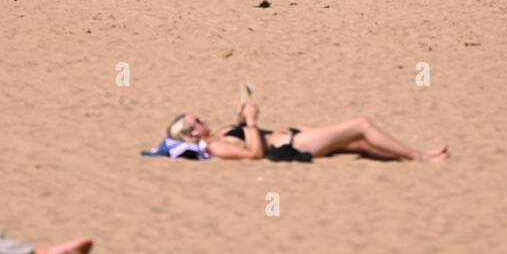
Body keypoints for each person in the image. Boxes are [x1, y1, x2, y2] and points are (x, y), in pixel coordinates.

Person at [158, 104, 448, 162]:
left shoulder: (219, 134)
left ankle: (403, 156)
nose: (202, 117)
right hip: (295, 145)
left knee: (359, 143)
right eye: (196, 119)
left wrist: (242, 117)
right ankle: (419, 156)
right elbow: (254, 154)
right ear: (191, 132)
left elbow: (243, 133)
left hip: (296, 134)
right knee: (361, 125)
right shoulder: (216, 148)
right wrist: (251, 122)